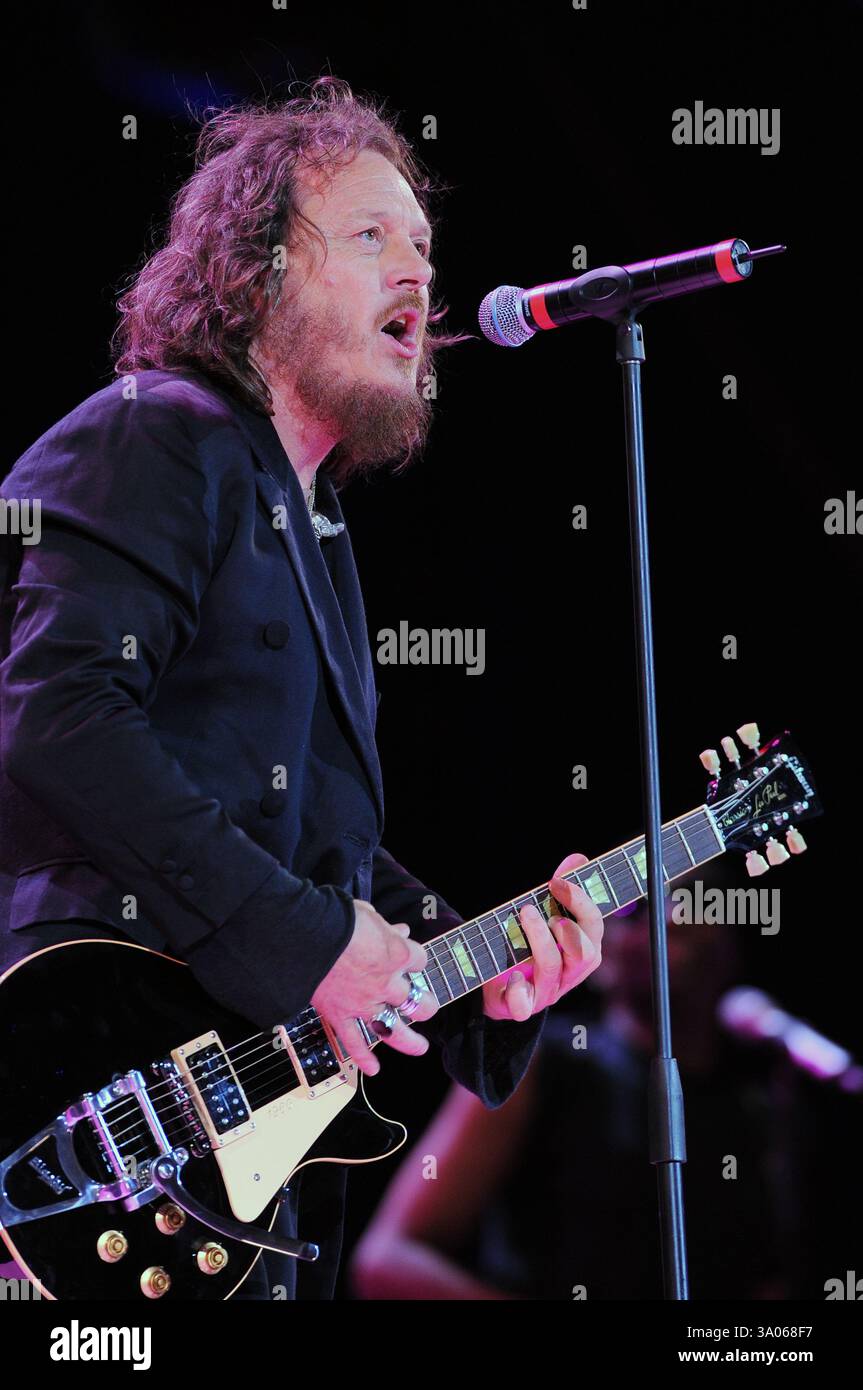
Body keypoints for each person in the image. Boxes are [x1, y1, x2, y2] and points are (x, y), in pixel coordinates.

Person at [0, 77, 604, 1300]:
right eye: (371, 236)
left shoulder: (313, 524)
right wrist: (316, 944)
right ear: (259, 270)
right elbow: (58, 717)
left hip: (236, 1183)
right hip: (87, 1117)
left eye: (425, 249)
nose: (417, 276)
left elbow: (322, 853)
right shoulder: (147, 434)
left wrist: (481, 971)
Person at [350, 877, 800, 1300]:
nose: (666, 921)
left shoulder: (760, 1091)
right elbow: (388, 1259)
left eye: (693, 907)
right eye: (638, 911)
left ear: (727, 943)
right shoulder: (538, 1060)